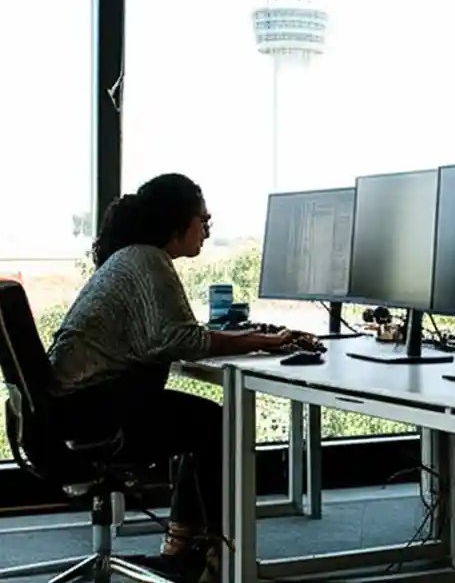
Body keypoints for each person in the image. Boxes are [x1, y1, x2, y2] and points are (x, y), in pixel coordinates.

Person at [48, 174, 309, 582]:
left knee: (195, 422)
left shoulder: (131, 257)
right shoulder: (148, 259)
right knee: (216, 424)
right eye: (203, 220)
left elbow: (163, 340)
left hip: (75, 407)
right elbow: (178, 338)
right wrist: (261, 340)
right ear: (178, 222)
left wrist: (248, 338)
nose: (206, 230)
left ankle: (182, 544)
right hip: (96, 412)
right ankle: (216, 556)